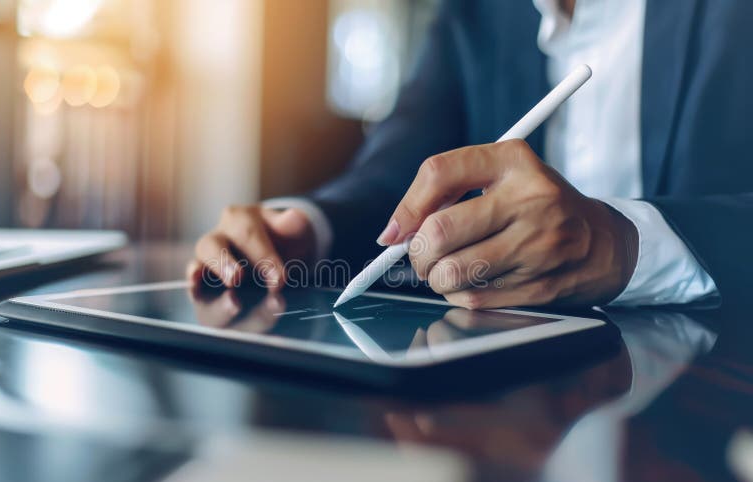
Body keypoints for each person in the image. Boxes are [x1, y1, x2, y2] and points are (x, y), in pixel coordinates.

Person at [191, 0, 753, 309]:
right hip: (509, 414)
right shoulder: (476, 13)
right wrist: (308, 227)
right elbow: (397, 173)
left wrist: (625, 245)